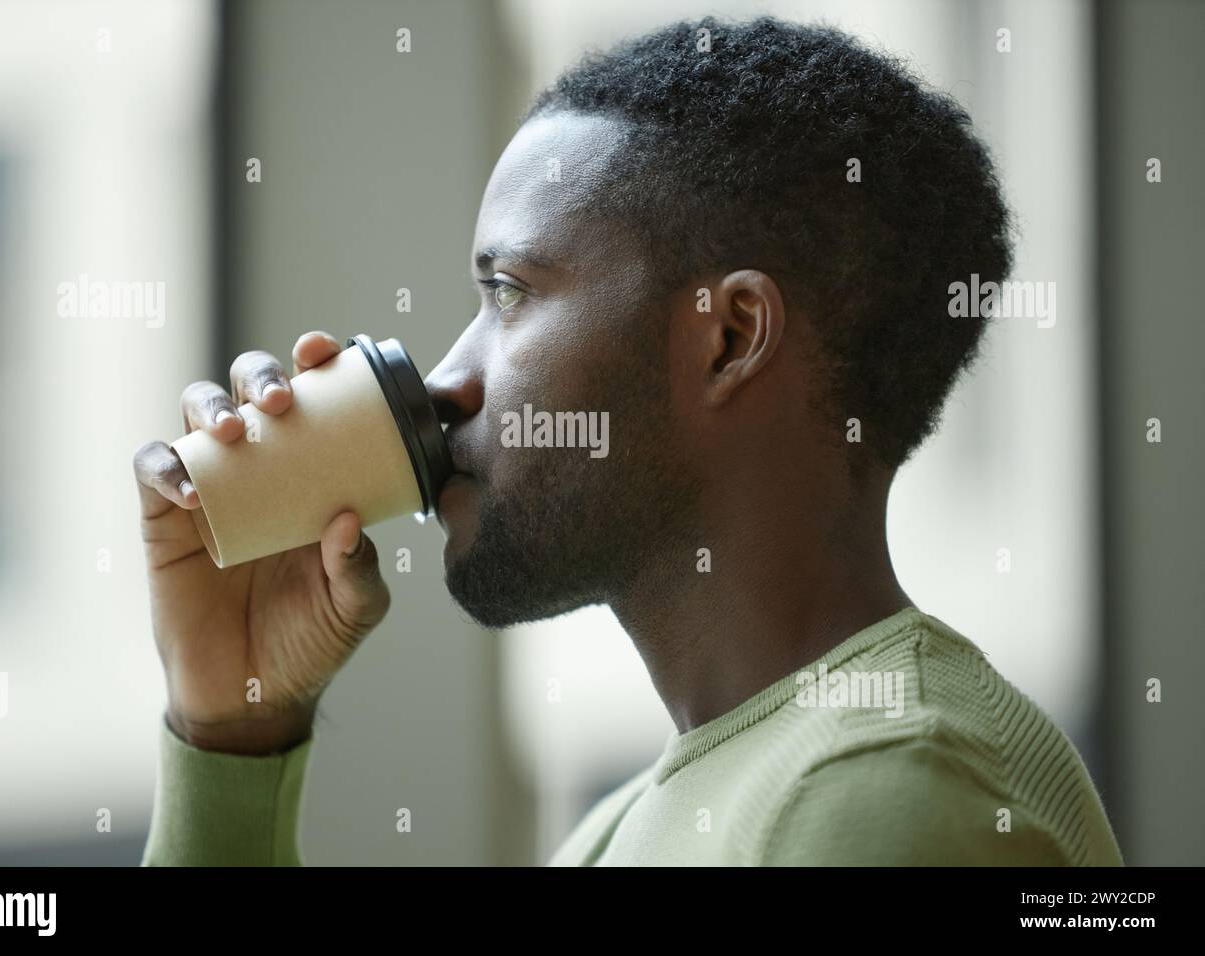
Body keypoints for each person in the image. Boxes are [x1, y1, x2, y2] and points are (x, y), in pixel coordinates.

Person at [133, 15, 1122, 865]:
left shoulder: (882, 793)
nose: (444, 380)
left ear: (728, 338)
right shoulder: (622, 831)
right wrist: (233, 731)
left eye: (509, 292)